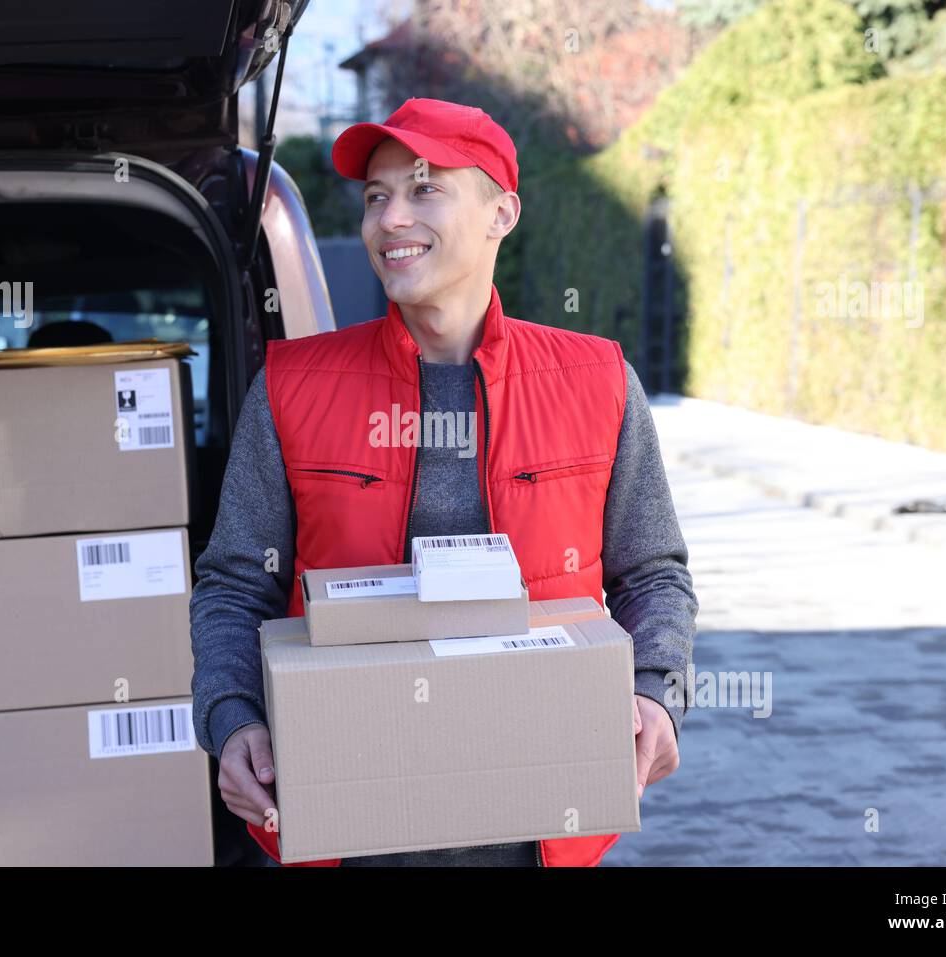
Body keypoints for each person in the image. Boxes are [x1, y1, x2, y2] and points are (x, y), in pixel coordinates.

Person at [190, 97, 698, 867]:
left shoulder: (597, 382)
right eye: (375, 197)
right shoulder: (294, 387)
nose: (390, 218)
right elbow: (233, 583)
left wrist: (657, 689)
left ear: (502, 212)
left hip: (537, 829)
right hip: (338, 825)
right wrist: (231, 718)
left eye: (425, 189)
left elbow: (653, 573)